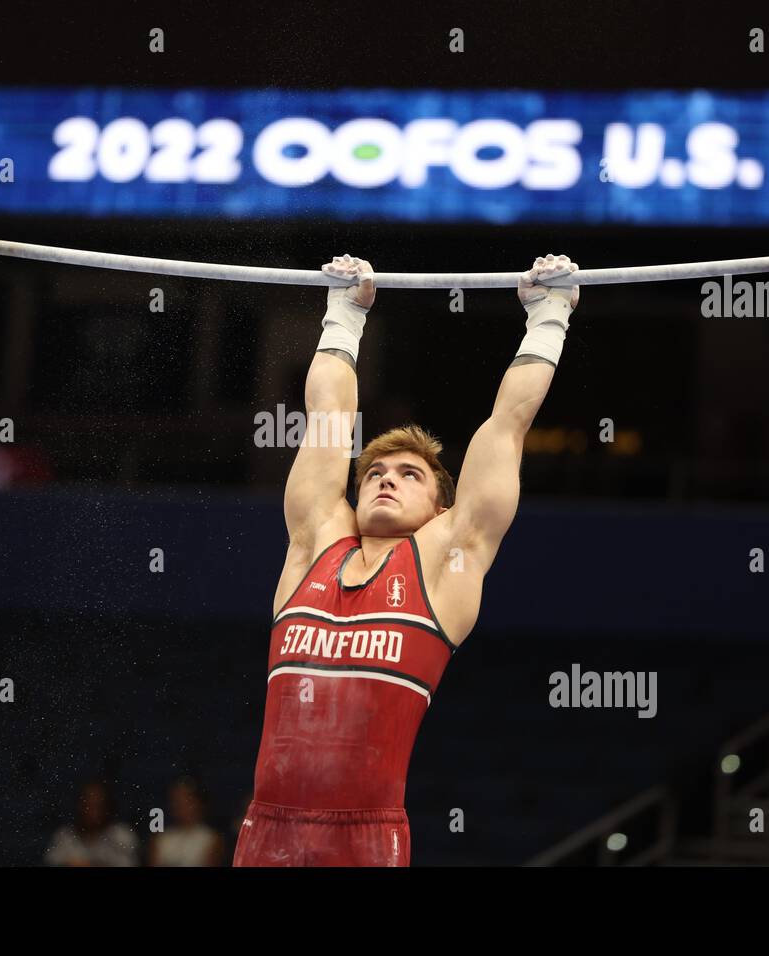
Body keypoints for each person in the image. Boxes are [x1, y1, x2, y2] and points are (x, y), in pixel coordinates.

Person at [233, 252, 580, 866]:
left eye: (409, 475)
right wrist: (344, 313)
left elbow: (506, 427)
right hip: (267, 834)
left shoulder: (448, 560)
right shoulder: (316, 541)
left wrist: (548, 315)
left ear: (441, 508)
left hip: (365, 837)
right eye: (374, 473)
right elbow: (328, 419)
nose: (384, 480)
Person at [44, 780, 139, 866]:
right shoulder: (64, 836)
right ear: (79, 806)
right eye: (87, 805)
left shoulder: (122, 835)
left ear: (108, 807)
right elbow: (52, 862)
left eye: (97, 805)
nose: (92, 811)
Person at [147, 776, 224, 867]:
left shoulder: (211, 839)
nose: (180, 806)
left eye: (187, 800)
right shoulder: (160, 839)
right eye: (176, 801)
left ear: (199, 803)